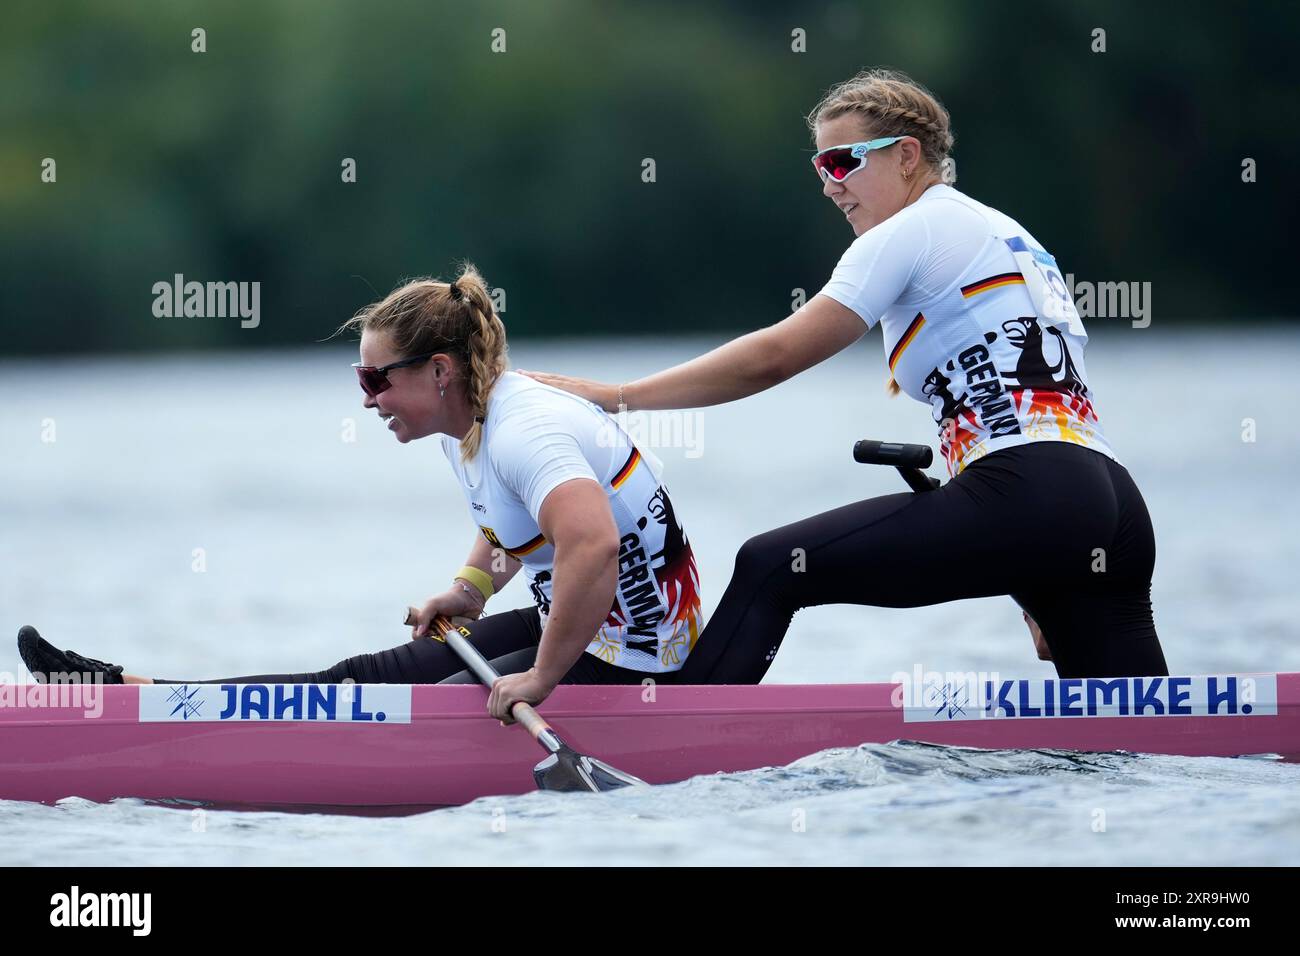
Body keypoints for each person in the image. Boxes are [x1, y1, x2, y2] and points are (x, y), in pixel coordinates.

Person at [522, 68, 1169, 682]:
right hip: (1107, 503)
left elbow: (776, 356)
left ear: (907, 156)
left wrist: (617, 396)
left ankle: (673, 736)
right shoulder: (1005, 235)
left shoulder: (912, 230)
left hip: (1033, 494)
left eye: (843, 161)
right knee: (1149, 735)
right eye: (819, 167)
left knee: (770, 566)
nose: (830, 184)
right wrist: (1033, 569)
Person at [18, 265, 705, 721]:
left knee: (417, 707)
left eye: (377, 380)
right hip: (585, 627)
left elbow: (593, 544)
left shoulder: (525, 431)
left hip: (638, 659)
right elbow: (516, 525)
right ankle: (126, 694)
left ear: (439, 371)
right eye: (360, 379)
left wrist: (540, 681)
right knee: (359, 680)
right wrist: (469, 590)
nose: (368, 400)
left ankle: (145, 713)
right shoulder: (473, 420)